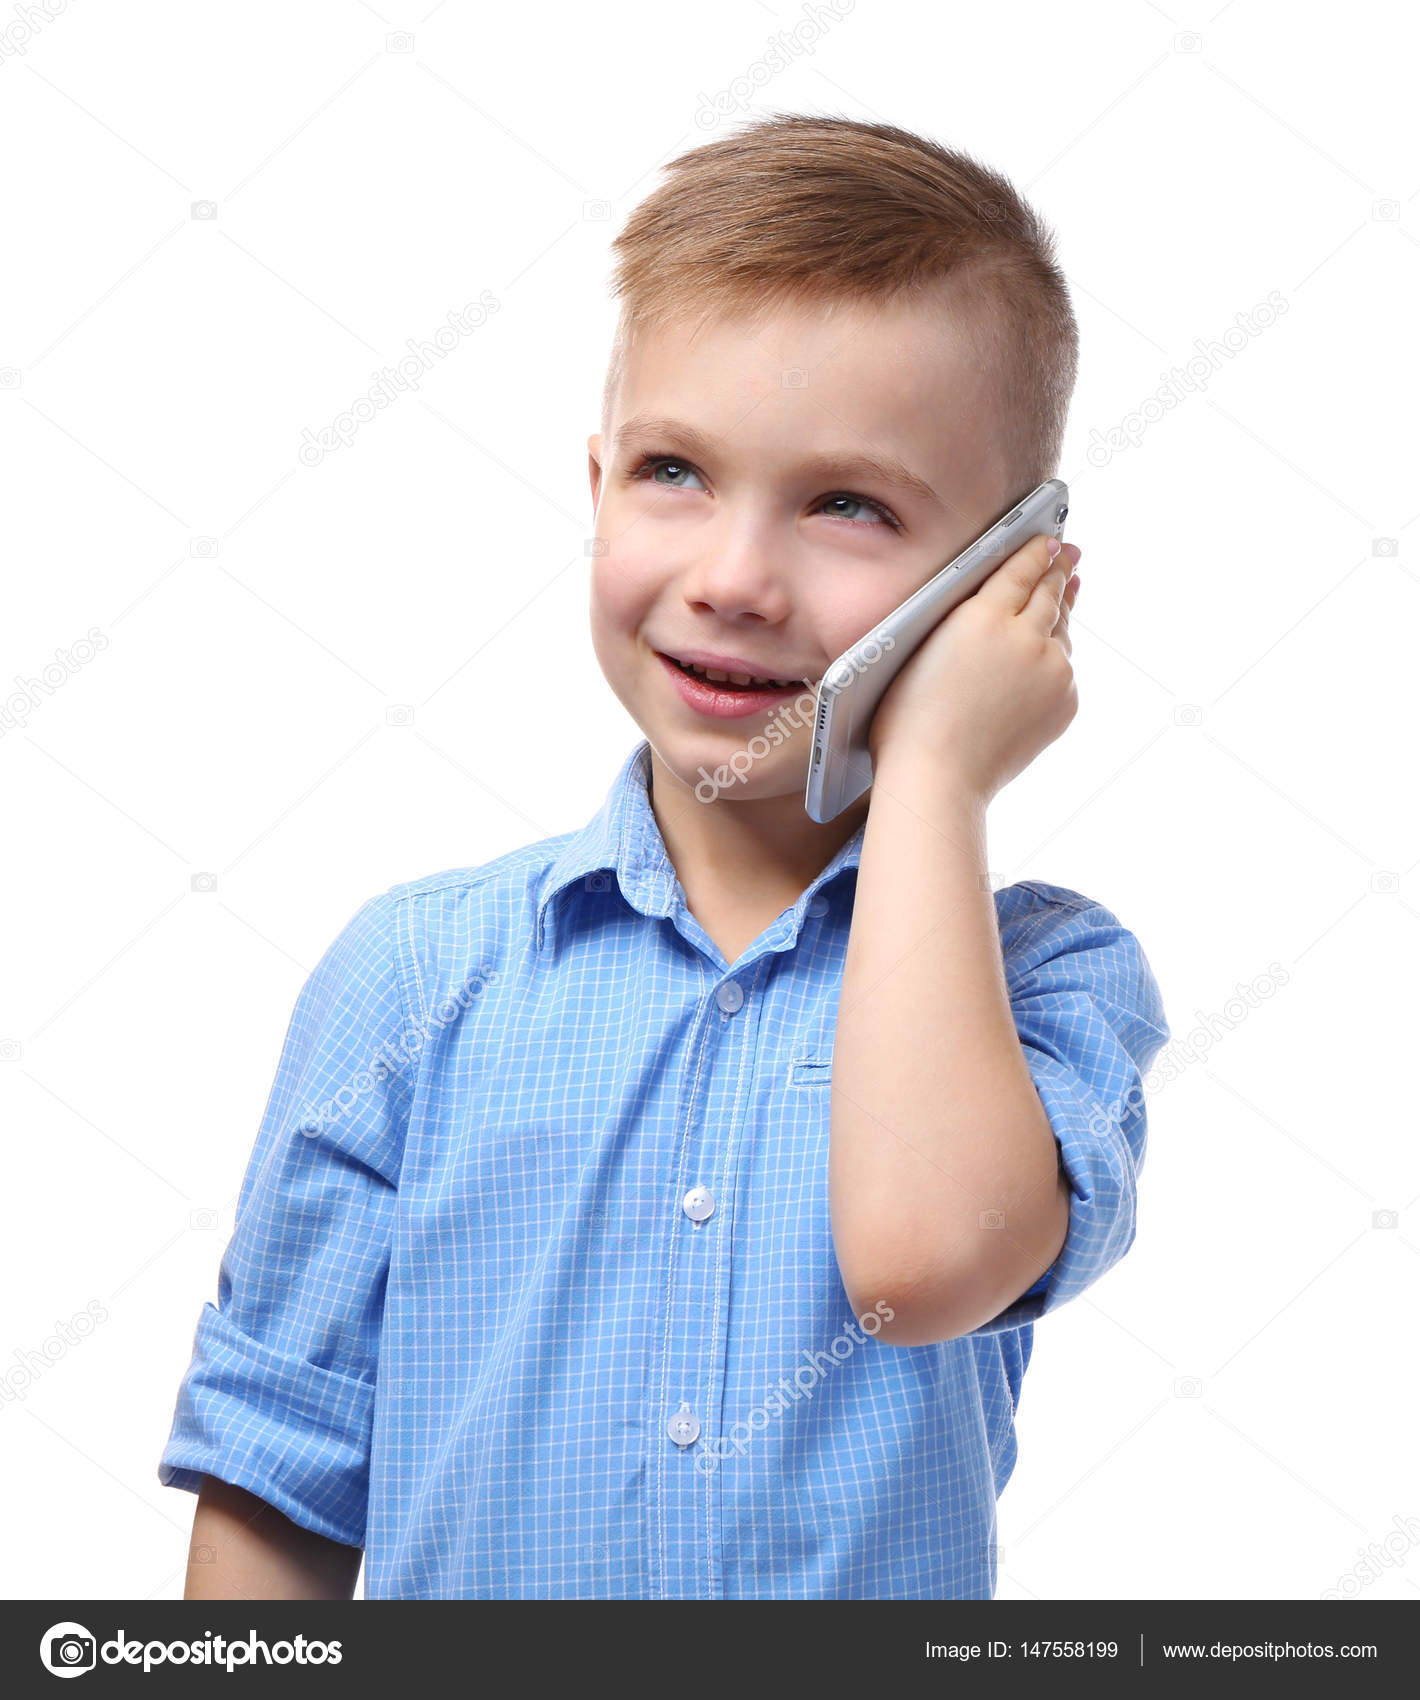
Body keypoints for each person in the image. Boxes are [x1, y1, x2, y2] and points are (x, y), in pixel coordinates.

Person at [160, 113, 1170, 1600]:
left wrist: (938, 771)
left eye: (848, 505)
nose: (734, 580)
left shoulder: (1051, 980)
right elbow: (281, 1481)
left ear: (1007, 580)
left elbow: (922, 1265)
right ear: (597, 484)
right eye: (675, 471)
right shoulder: (417, 973)